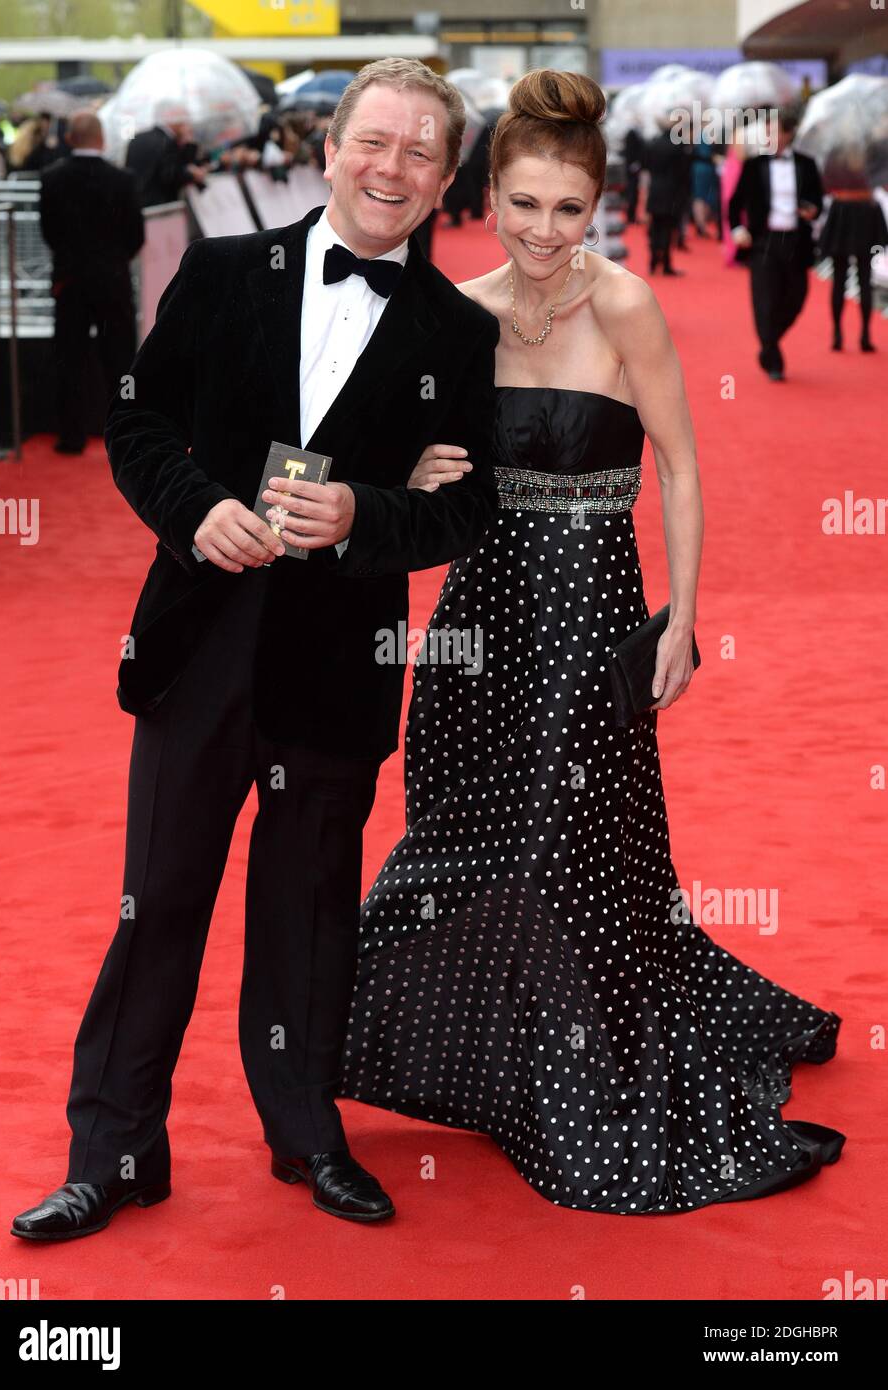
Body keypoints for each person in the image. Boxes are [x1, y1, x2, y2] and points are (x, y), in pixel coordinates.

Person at [338, 69, 845, 1214]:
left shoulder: (623, 307)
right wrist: (412, 471)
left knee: (570, 844)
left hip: (590, 614)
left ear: (599, 206)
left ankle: (586, 1069)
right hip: (481, 615)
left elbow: (679, 465)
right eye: (522, 205)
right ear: (490, 195)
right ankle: (445, 1053)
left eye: (567, 210)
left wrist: (686, 617)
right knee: (460, 832)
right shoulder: (456, 313)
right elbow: (405, 469)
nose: (542, 232)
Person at [10, 58, 499, 1241]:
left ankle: (306, 1132)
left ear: (443, 180)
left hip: (338, 662)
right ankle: (114, 1147)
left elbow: (466, 507)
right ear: (328, 148)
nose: (391, 168)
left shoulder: (455, 331)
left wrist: (366, 517)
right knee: (159, 896)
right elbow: (136, 416)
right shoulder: (225, 272)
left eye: (418, 153)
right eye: (372, 142)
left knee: (311, 909)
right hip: (204, 637)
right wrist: (193, 508)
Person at [38, 110, 145, 455]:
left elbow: (49, 232)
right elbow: (136, 236)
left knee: (68, 356)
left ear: (70, 139)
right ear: (102, 139)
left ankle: (71, 436)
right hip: (113, 280)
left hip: (69, 280)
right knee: (121, 359)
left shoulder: (52, 178)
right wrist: (114, 262)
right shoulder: (123, 179)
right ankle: (126, 435)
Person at [728, 106, 824, 381]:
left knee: (797, 297)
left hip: (796, 240)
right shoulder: (754, 164)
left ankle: (769, 341)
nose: (768, 135)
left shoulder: (807, 164)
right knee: (765, 301)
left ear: (788, 133)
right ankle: (772, 357)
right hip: (763, 241)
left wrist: (812, 211)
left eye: (774, 131)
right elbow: (734, 204)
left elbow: (817, 200)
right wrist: (737, 229)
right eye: (766, 131)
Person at [818, 151, 886, 352]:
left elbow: (826, 184)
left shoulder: (836, 153)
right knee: (864, 278)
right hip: (866, 211)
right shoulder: (872, 152)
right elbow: (884, 183)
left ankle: (838, 332)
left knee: (840, 277)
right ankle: (864, 333)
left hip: (843, 212)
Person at [124, 99, 207, 208]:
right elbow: (170, 175)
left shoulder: (137, 138)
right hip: (162, 205)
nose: (186, 123)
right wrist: (191, 174)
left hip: (137, 203)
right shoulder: (167, 141)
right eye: (183, 119)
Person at [643, 116, 691, 275]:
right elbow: (683, 172)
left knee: (655, 227)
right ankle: (665, 264)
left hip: (655, 190)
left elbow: (646, 165)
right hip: (672, 192)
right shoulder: (677, 146)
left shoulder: (653, 143)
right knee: (668, 228)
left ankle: (653, 261)